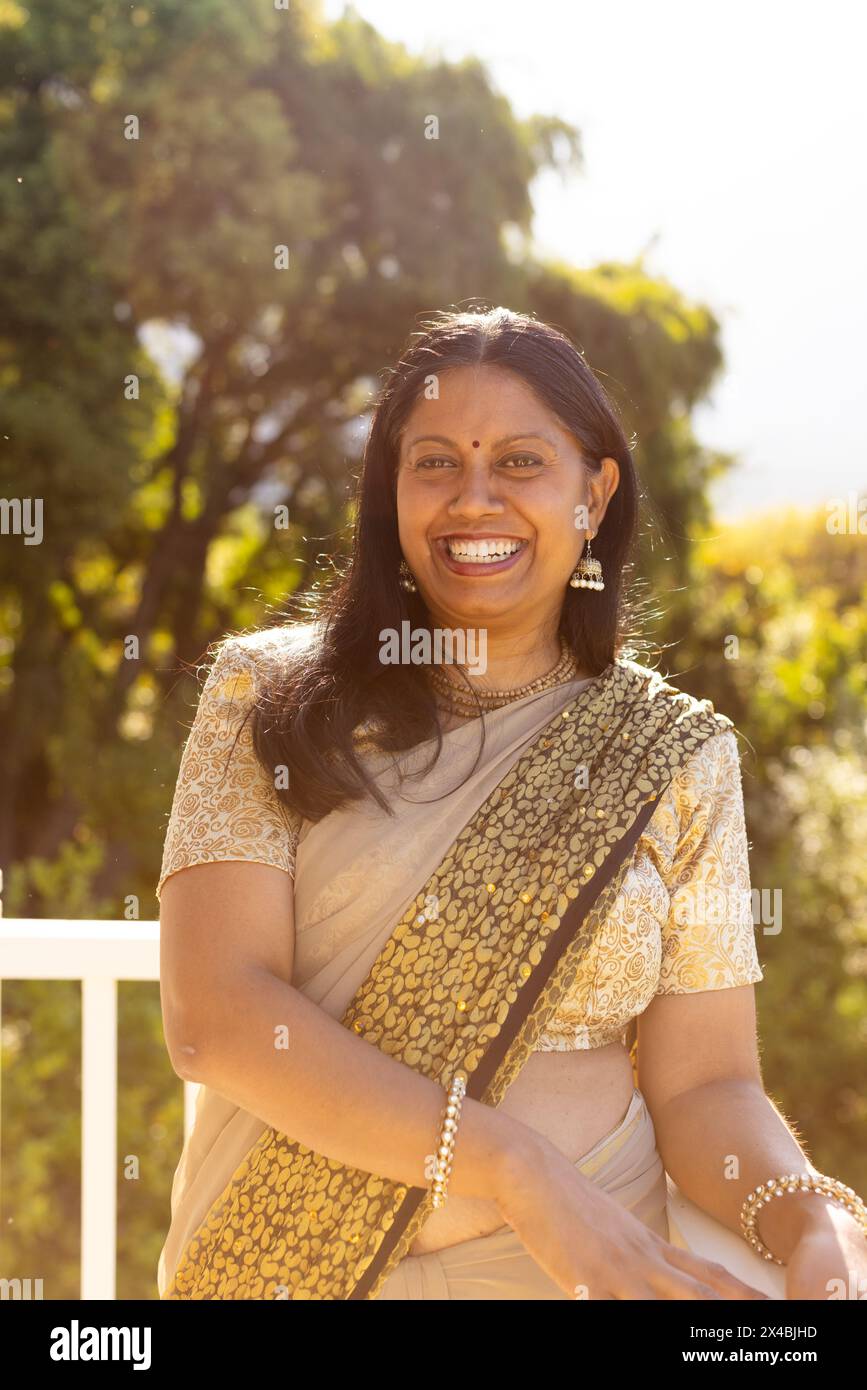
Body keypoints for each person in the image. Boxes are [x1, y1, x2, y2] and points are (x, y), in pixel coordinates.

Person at [156, 306, 867, 1300]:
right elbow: (218, 1019)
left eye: (522, 463)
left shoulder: (673, 753)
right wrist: (517, 1168)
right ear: (390, 491)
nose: (474, 500)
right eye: (436, 463)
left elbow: (707, 1085)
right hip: (297, 1269)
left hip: (583, 1277)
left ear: (595, 489)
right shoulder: (266, 698)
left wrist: (811, 1212)